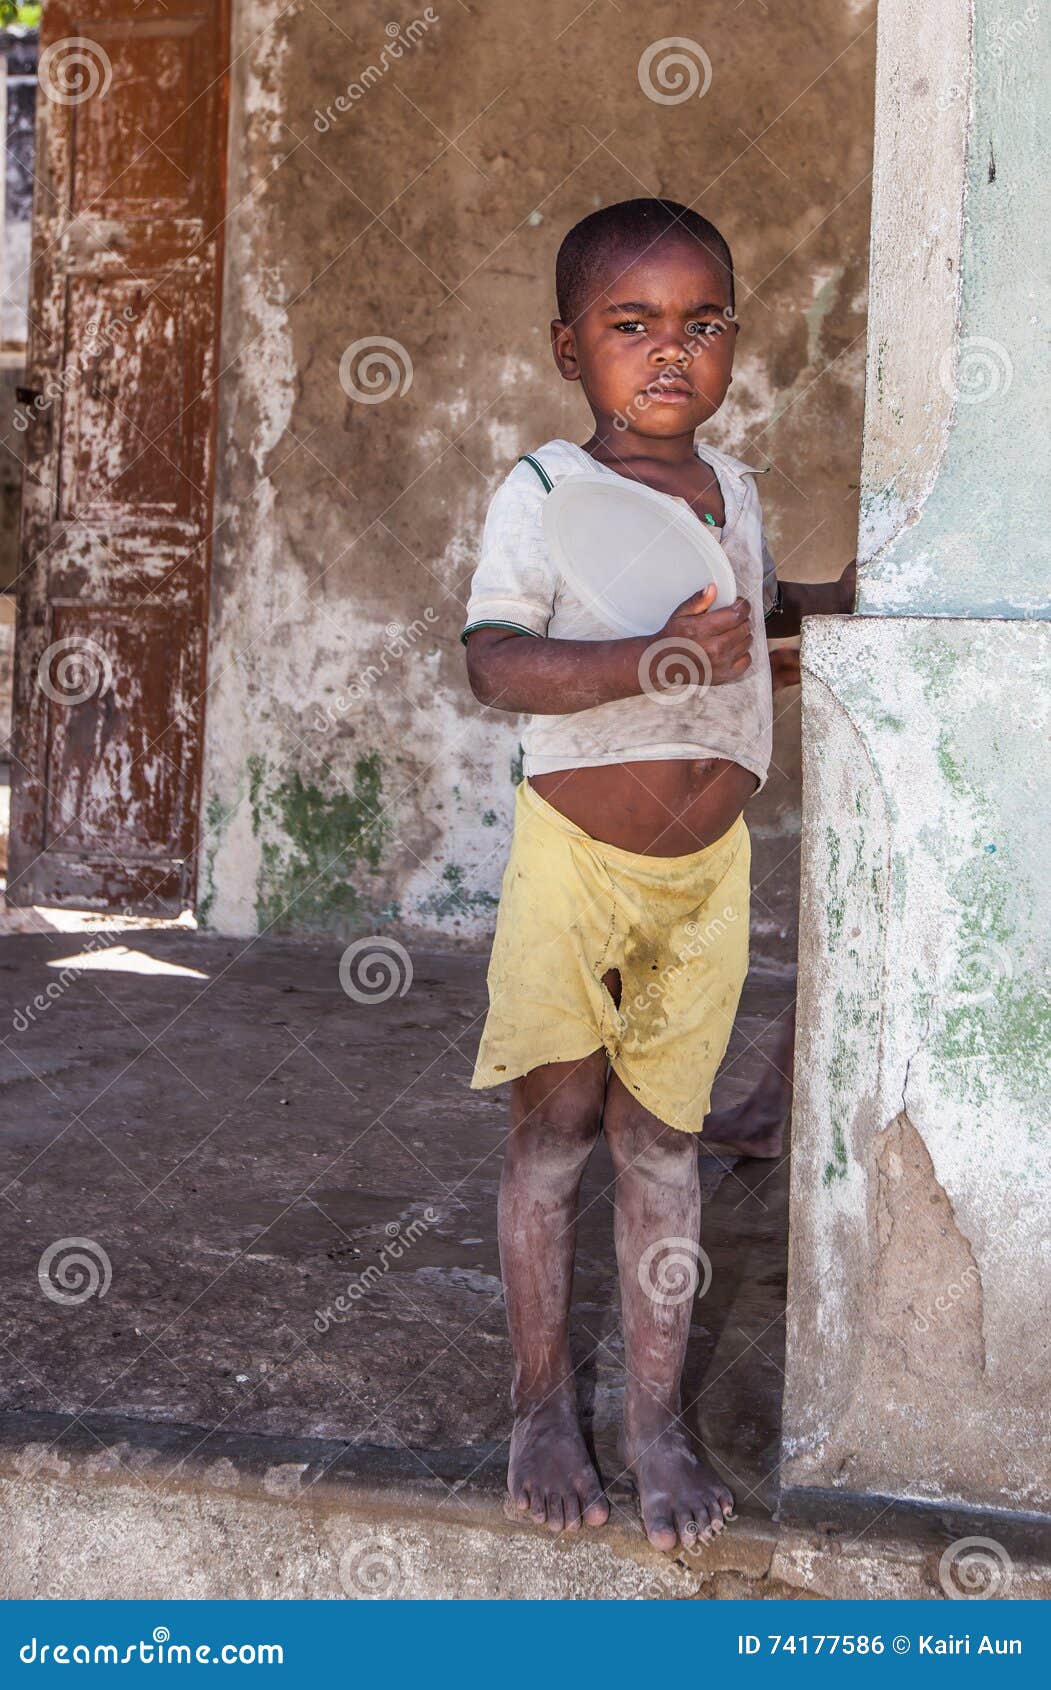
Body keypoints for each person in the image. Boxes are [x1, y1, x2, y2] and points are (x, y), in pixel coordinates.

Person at [461, 199, 855, 1552]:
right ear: (572, 348)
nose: (669, 351)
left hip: (705, 875)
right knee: (558, 1131)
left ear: (732, 340)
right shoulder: (546, 493)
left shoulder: (734, 487)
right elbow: (495, 659)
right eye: (632, 325)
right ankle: (536, 1406)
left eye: (700, 324)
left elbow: (742, 607)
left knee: (664, 1141)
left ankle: (652, 1418)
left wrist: (833, 597)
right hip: (580, 867)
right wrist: (650, 662)